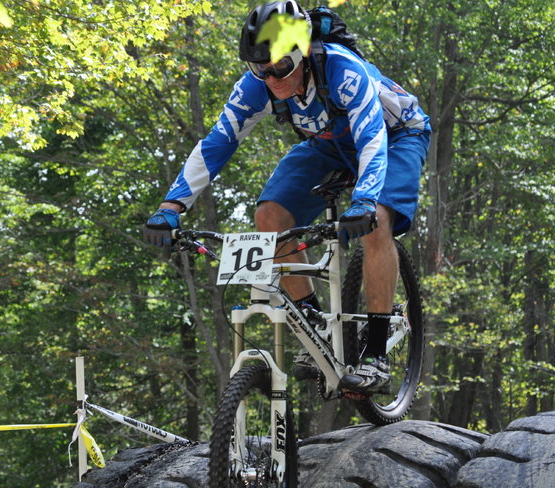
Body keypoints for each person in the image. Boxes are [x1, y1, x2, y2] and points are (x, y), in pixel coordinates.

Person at [143, 0, 430, 392]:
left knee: (376, 219)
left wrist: (362, 199)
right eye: (260, 69)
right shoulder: (257, 86)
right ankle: (316, 327)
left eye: (281, 67)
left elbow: (371, 137)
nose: (272, 78)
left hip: (394, 135)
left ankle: (376, 354)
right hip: (329, 142)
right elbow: (217, 142)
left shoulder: (344, 70)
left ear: (304, 52)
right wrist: (171, 206)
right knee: (271, 218)